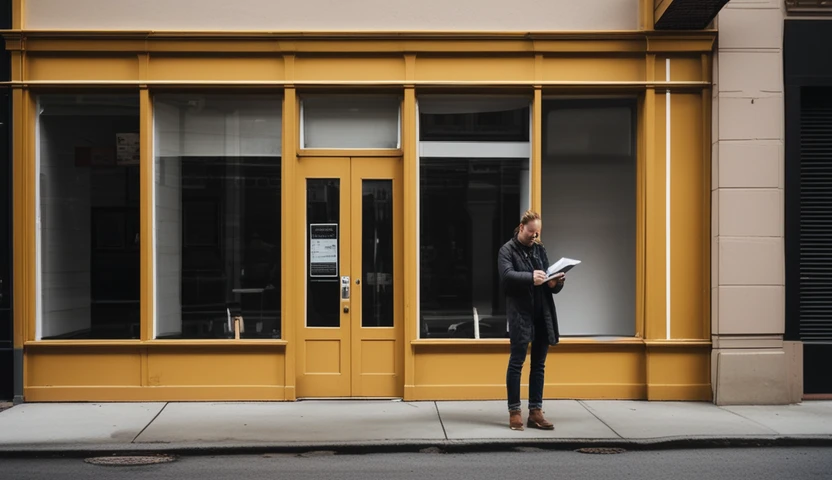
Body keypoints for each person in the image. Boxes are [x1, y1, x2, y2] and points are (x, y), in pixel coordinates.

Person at [497, 210, 566, 431]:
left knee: (539, 365)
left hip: (541, 313)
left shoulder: (539, 249)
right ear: (521, 227)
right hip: (520, 314)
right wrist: (530, 278)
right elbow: (506, 278)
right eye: (531, 232)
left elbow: (547, 278)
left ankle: (535, 411)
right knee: (516, 363)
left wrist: (555, 282)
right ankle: (514, 412)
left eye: (537, 233)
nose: (534, 237)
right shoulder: (507, 250)